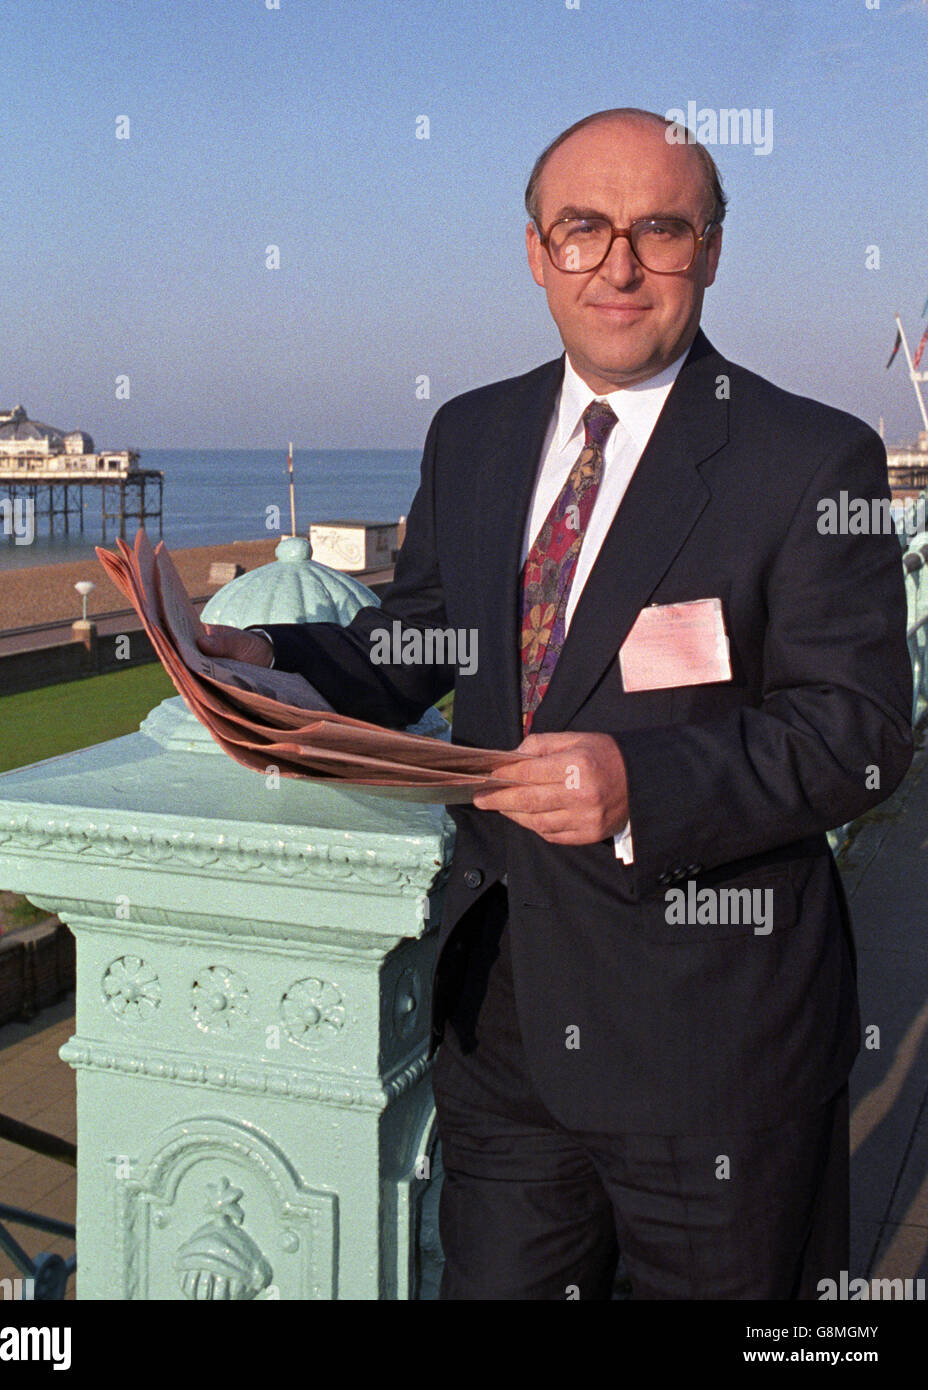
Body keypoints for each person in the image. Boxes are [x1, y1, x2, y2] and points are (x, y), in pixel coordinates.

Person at [197, 108, 913, 1299]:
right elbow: (424, 634)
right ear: (535, 251)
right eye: (583, 230)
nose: (618, 265)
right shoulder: (472, 433)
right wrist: (257, 651)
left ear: (713, 249)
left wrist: (646, 785)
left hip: (718, 1048)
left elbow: (863, 735)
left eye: (659, 230)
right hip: (508, 1035)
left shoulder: (810, 457)